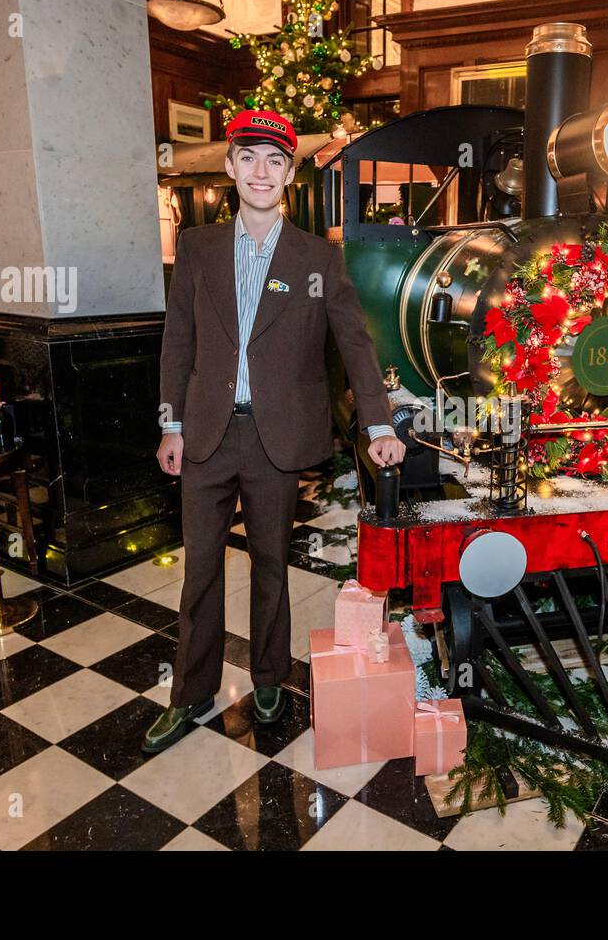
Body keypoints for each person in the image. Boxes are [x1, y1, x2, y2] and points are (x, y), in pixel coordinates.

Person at [143, 109, 405, 754]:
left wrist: (378, 421)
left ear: (290, 174)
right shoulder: (198, 248)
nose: (261, 171)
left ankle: (268, 678)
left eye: (275, 160)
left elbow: (355, 342)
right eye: (249, 157)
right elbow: (178, 341)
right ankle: (191, 692)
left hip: (276, 439)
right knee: (199, 569)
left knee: (270, 565)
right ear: (230, 167)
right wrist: (171, 423)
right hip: (204, 434)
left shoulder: (318, 258)